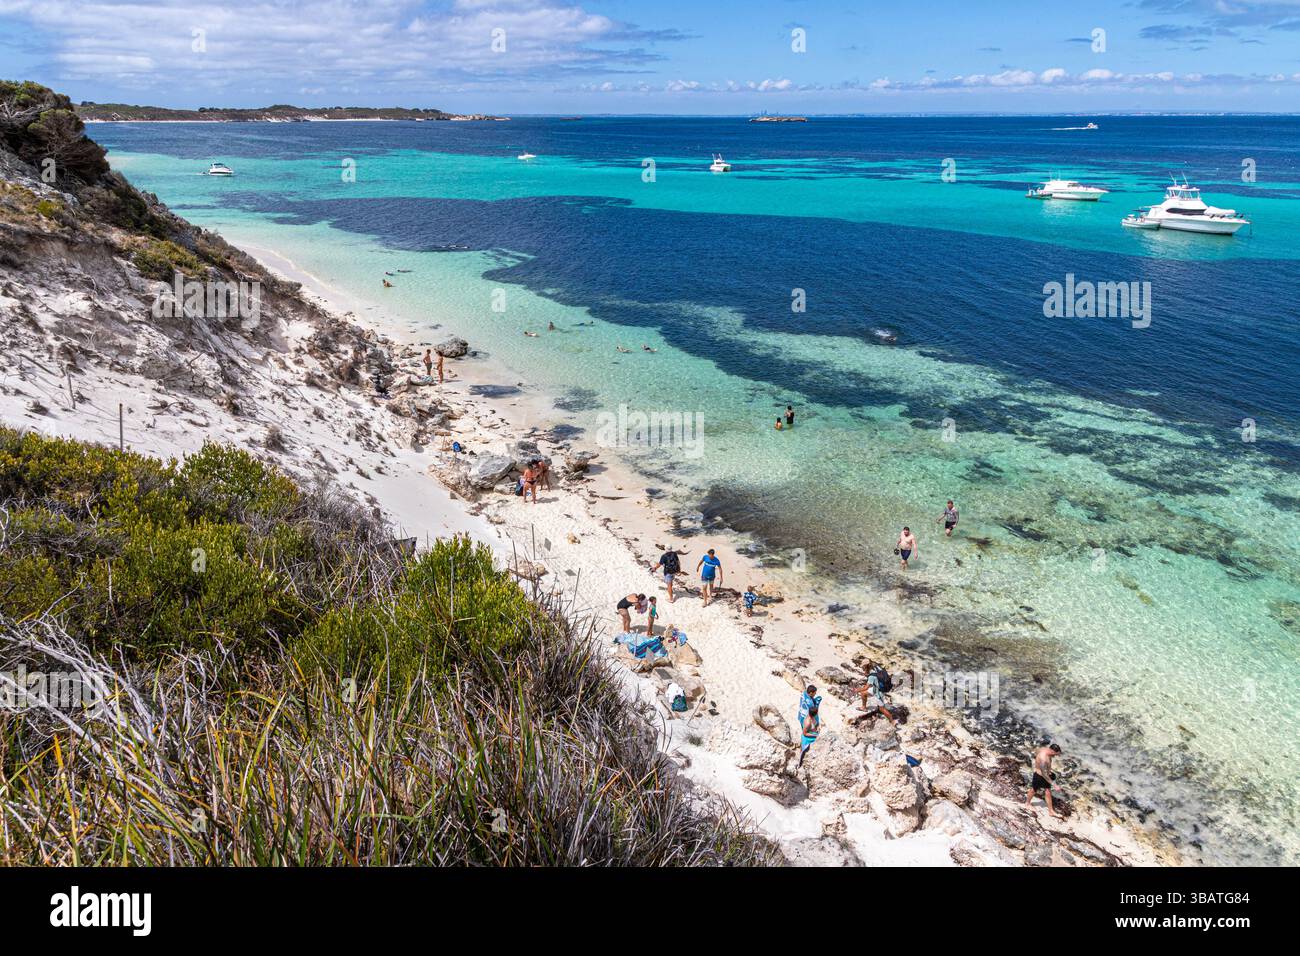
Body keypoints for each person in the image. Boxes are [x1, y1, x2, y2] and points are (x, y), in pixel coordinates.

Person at [1026, 741, 1064, 818]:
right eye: (1055, 754)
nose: (1055, 756)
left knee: (1047, 791)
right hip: (1039, 776)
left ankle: (1051, 811)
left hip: (1045, 774)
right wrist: (1054, 785)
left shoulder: (1047, 750)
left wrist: (1049, 770)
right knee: (1034, 789)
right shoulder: (1043, 759)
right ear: (1052, 751)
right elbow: (1044, 774)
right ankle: (1027, 803)